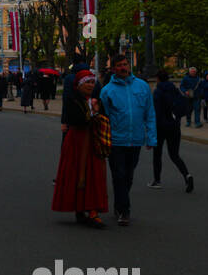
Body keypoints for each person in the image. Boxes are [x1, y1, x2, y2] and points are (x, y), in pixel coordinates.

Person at [98, 55, 156, 226]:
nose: (123, 67)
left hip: (135, 140)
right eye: (119, 65)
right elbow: (104, 117)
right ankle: (125, 210)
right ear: (114, 69)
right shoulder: (107, 91)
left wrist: (151, 137)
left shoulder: (142, 86)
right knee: (119, 175)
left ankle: (119, 204)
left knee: (128, 176)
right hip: (116, 141)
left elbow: (149, 113)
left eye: (125, 64)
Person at [51, 70, 108, 228]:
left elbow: (102, 119)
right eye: (87, 82)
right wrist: (92, 114)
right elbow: (75, 120)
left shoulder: (96, 100)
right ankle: (80, 209)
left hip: (92, 141)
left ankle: (93, 211)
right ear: (80, 84)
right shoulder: (72, 100)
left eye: (92, 82)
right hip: (77, 140)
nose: (90, 85)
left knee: (94, 174)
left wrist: (96, 111)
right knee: (76, 174)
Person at [149, 69, 193, 192]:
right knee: (174, 155)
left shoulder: (158, 92)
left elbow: (156, 112)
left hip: (161, 127)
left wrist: (151, 128)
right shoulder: (175, 89)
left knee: (157, 155)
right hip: (174, 126)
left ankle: (157, 180)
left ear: (158, 79)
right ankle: (187, 175)